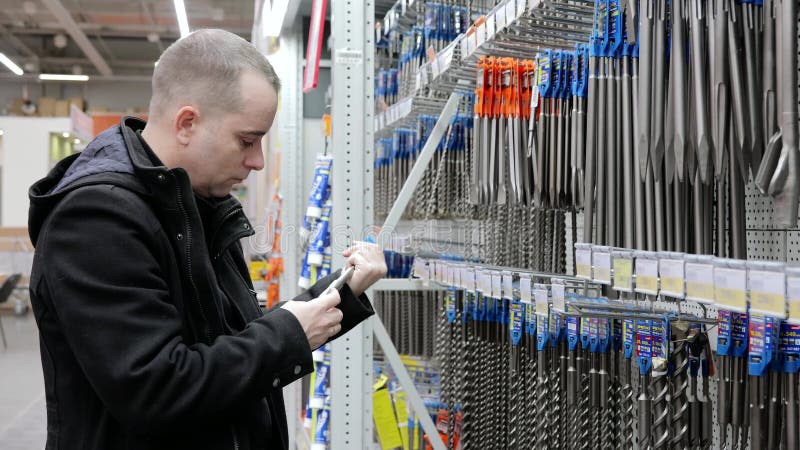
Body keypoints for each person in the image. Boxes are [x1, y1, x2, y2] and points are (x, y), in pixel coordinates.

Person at [28, 29, 386, 450]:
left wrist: (340, 290)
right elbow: (156, 389)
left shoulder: (193, 201)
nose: (257, 161)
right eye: (247, 140)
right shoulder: (96, 220)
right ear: (187, 123)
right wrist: (289, 336)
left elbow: (230, 336)